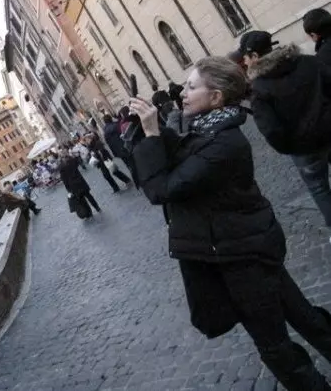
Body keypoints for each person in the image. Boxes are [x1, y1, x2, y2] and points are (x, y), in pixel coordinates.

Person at [130, 56, 331, 390]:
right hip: (247, 245)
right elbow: (181, 154)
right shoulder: (209, 128)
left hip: (241, 256)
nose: (183, 93)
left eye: (192, 87)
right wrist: (152, 132)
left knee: (273, 344)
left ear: (216, 97)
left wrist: (152, 135)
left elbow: (163, 189)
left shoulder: (225, 142)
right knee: (305, 317)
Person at [240, 30, 331, 229]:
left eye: (245, 58)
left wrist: (291, 147)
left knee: (320, 189)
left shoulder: (259, 88)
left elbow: (271, 131)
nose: (245, 63)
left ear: (255, 56)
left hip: (304, 148)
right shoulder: (307, 61)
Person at [59, 149, 101, 217]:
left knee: (82, 200)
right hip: (80, 181)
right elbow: (78, 162)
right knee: (89, 196)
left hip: (73, 186)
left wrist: (68, 190)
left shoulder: (61, 166)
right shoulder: (72, 160)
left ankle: (89, 213)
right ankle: (97, 207)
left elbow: (64, 180)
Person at [102, 114, 139, 187]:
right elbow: (124, 134)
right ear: (110, 119)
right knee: (133, 161)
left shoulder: (105, 132)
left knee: (128, 164)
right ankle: (139, 176)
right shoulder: (117, 125)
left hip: (118, 151)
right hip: (125, 146)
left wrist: (114, 153)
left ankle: (136, 179)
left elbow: (109, 144)